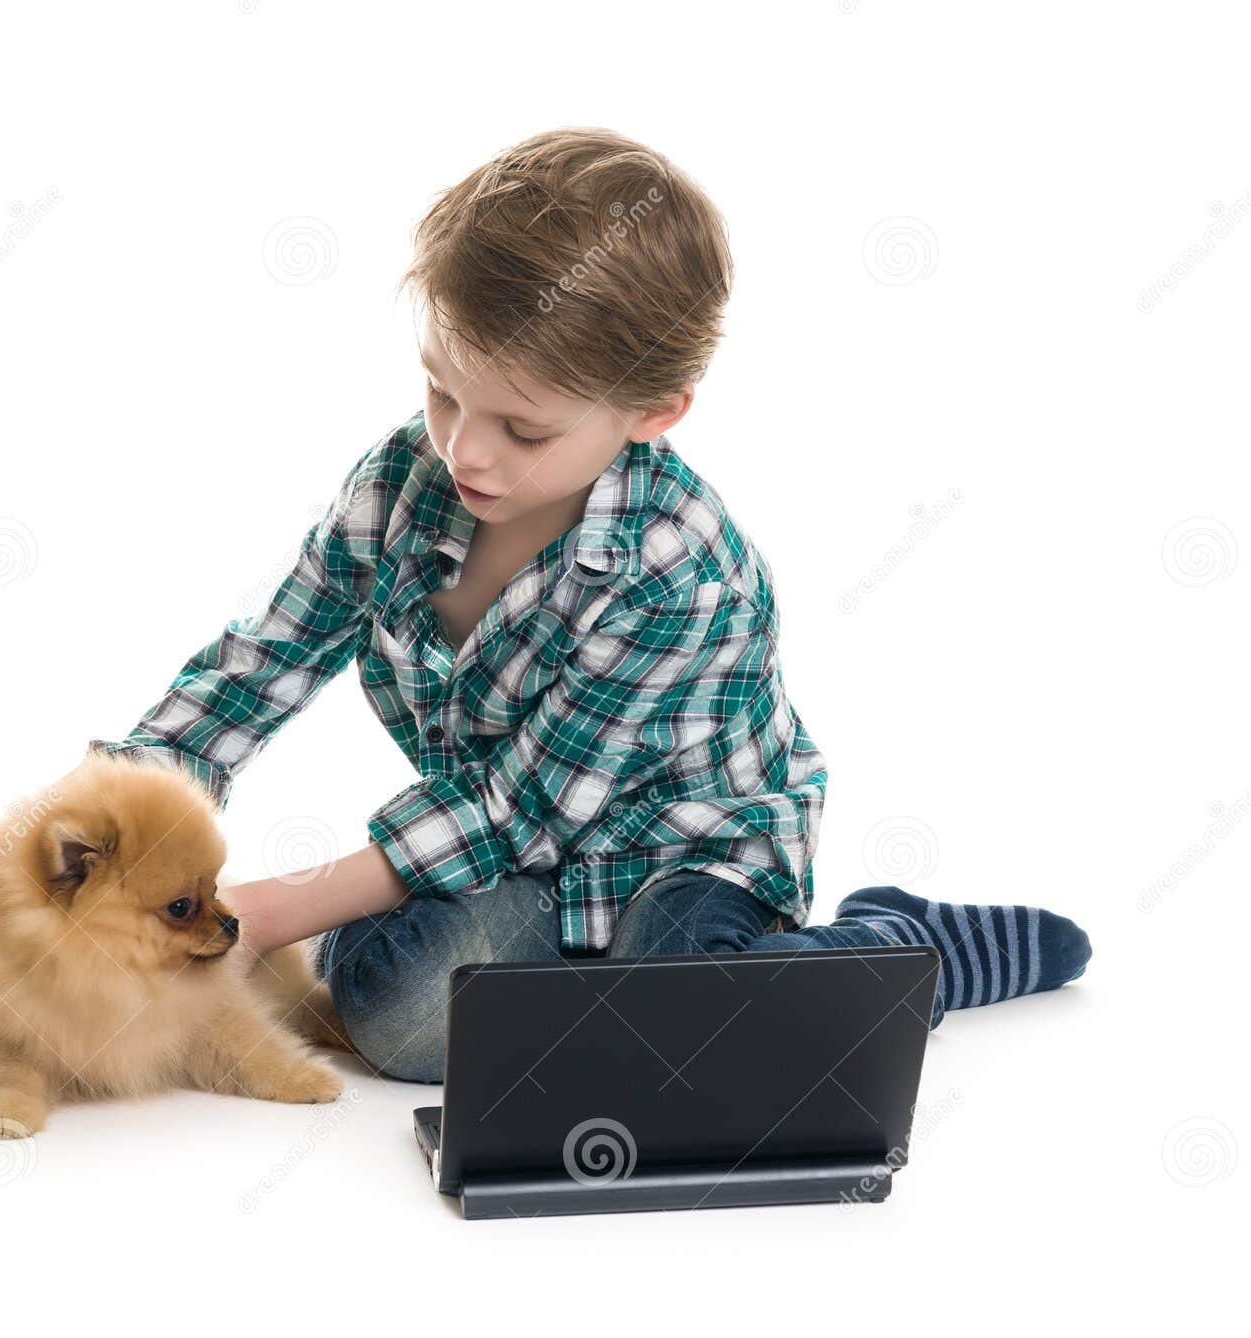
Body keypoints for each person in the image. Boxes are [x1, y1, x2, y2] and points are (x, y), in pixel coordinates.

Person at [89, 126, 1091, 1083]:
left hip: (684, 850)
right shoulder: (406, 475)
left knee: (693, 1033)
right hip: (521, 853)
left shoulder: (674, 566)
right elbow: (269, 652)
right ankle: (566, 985)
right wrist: (117, 812)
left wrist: (263, 911)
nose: (463, 450)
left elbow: (506, 806)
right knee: (397, 1009)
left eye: (522, 429)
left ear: (652, 413)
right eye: (442, 392)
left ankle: (901, 945)